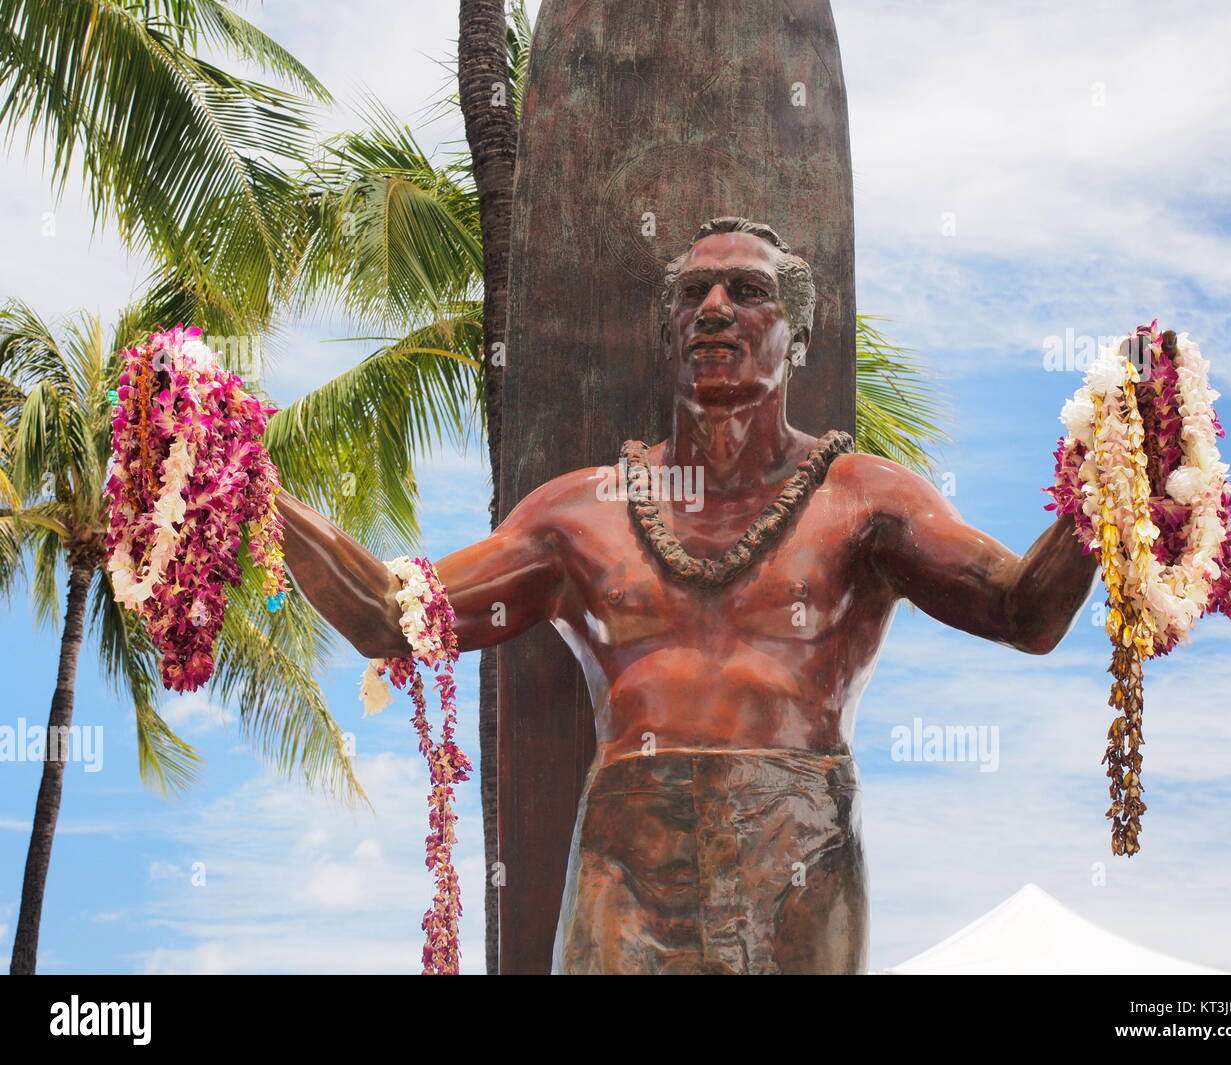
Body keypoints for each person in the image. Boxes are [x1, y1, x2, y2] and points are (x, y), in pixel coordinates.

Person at [278, 217, 1099, 974]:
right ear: (669, 330)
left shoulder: (868, 500)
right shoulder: (580, 514)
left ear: (798, 331)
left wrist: (1122, 453)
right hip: (626, 864)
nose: (713, 308)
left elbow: (1022, 610)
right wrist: (244, 483)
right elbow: (395, 614)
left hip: (800, 855)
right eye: (691, 295)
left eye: (747, 291)